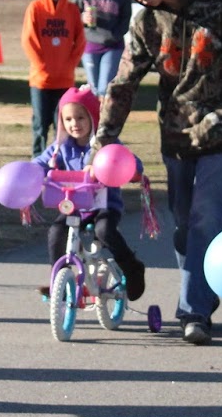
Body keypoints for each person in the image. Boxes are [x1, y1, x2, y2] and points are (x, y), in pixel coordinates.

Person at [95, 0, 222, 345]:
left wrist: (221, 112)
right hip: (175, 137)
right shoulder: (146, 22)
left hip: (218, 136)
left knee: (205, 221)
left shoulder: (217, 7)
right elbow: (123, 83)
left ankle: (194, 311)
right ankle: (198, 294)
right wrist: (105, 135)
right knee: (185, 226)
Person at [34, 86, 147, 300]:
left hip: (105, 205)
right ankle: (58, 278)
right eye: (68, 119)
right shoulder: (62, 147)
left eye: (80, 118)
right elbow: (40, 162)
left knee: (104, 231)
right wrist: (32, 172)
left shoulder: (105, 144)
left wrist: (125, 168)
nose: (74, 124)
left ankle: (132, 267)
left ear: (93, 117)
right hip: (74, 204)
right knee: (56, 232)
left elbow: (132, 163)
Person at [22, 0, 86, 155]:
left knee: (64, 125)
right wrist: (42, 65)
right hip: (41, 80)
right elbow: (29, 40)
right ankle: (38, 161)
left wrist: (70, 64)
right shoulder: (36, 8)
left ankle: (62, 160)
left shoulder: (72, 10)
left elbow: (80, 40)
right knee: (41, 124)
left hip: (64, 80)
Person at [72, 0, 129, 95]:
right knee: (94, 88)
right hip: (90, 45)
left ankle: (103, 116)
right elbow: (71, 16)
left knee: (104, 88)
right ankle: (93, 116)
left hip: (113, 46)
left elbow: (125, 18)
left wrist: (116, 35)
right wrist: (82, 18)